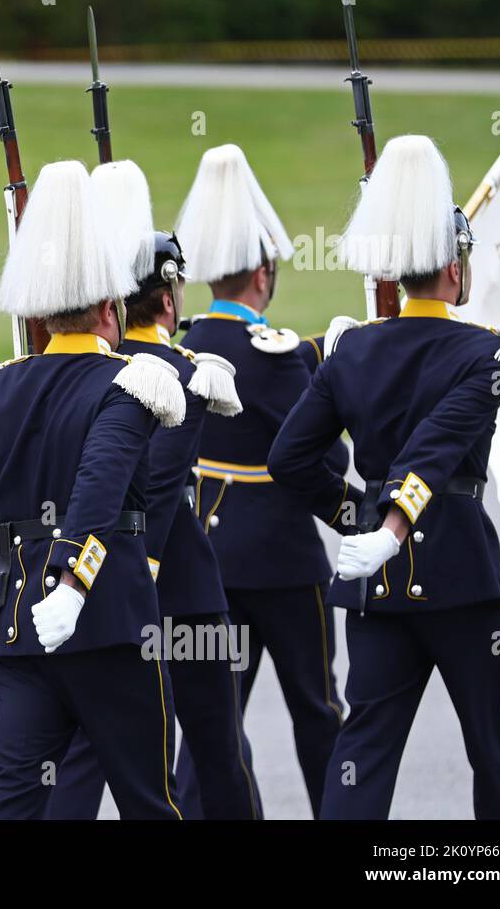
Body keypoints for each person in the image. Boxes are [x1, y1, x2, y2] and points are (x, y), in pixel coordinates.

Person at [0, 160, 185, 819]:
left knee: (12, 801)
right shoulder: (130, 381)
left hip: (22, 623)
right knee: (149, 800)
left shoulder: (0, 385)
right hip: (109, 623)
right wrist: (73, 578)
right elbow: (100, 485)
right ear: (106, 302)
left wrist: (10, 540)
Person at [270, 134, 500, 819]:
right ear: (454, 271)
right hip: (461, 579)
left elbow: (290, 459)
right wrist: (381, 525)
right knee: (493, 749)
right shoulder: (482, 352)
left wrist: (354, 515)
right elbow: (437, 447)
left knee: (363, 755)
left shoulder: (354, 347)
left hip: (382, 589)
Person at [47, 160, 262, 820]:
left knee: (87, 756)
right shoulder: (182, 367)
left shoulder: (78, 372)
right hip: (176, 593)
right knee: (213, 754)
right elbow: (165, 483)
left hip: (107, 588)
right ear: (168, 297)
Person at [174, 144, 350, 816]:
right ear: (261, 272)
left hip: (208, 563)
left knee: (211, 725)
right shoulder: (274, 357)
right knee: (317, 711)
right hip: (282, 562)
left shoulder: (181, 349)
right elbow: (324, 462)